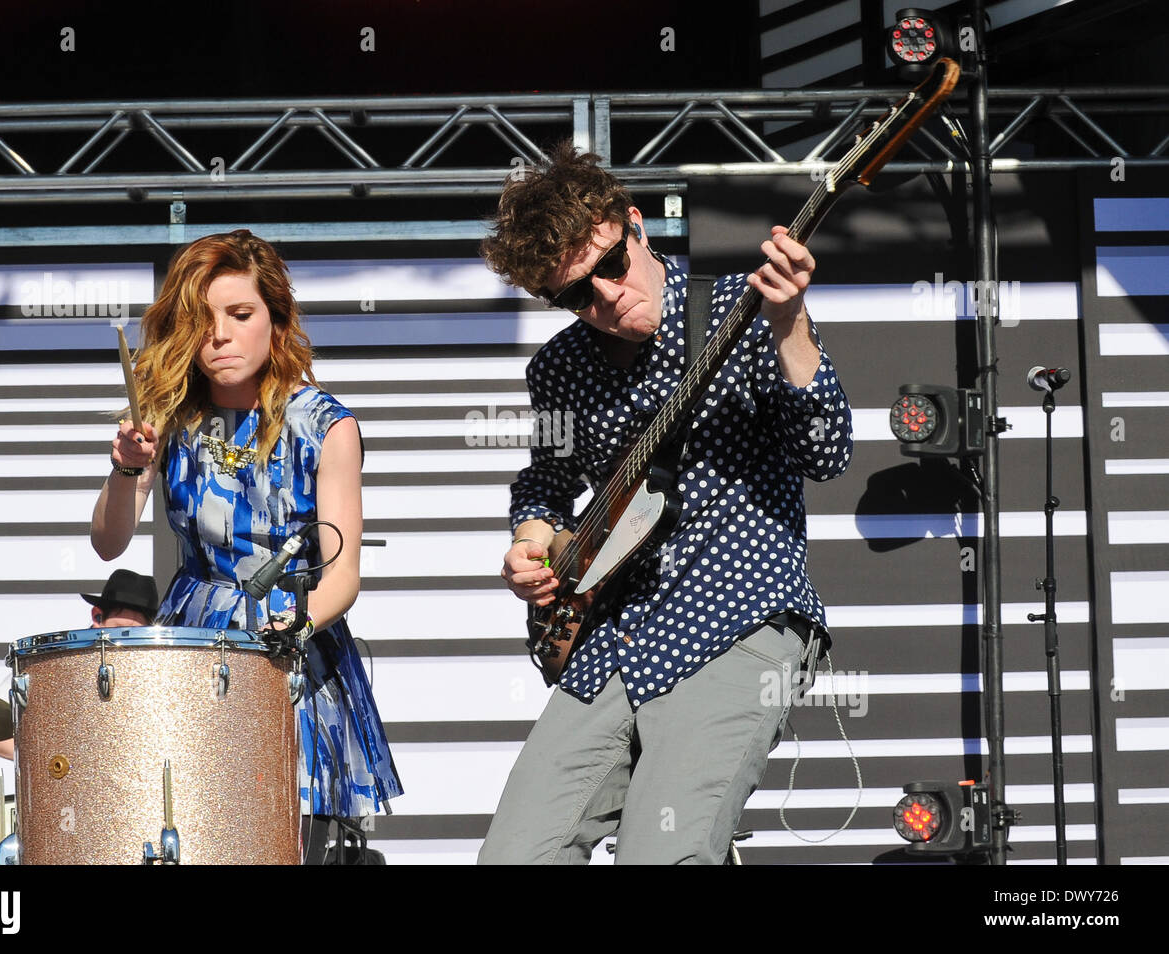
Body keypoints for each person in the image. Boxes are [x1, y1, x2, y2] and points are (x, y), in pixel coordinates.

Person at [477, 143, 853, 864]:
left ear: (636, 226)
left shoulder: (740, 316)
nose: (608, 296)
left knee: (661, 855)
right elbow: (546, 484)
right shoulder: (558, 370)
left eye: (612, 265)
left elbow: (827, 453)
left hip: (735, 622)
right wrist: (532, 541)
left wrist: (791, 324)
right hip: (612, 641)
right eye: (576, 294)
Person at [89, 229, 401, 858]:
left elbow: (342, 577)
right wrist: (126, 467)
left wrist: (287, 630)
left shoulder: (325, 425)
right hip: (190, 646)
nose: (220, 336)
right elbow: (107, 542)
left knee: (286, 837)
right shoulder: (167, 418)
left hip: (292, 649)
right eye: (203, 320)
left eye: (240, 314)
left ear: (275, 320)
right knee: (187, 830)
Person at [0, 569, 160, 760]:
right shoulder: (56, 659)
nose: (125, 640)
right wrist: (43, 761)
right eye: (119, 629)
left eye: (137, 633)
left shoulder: (157, 670)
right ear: (97, 617)